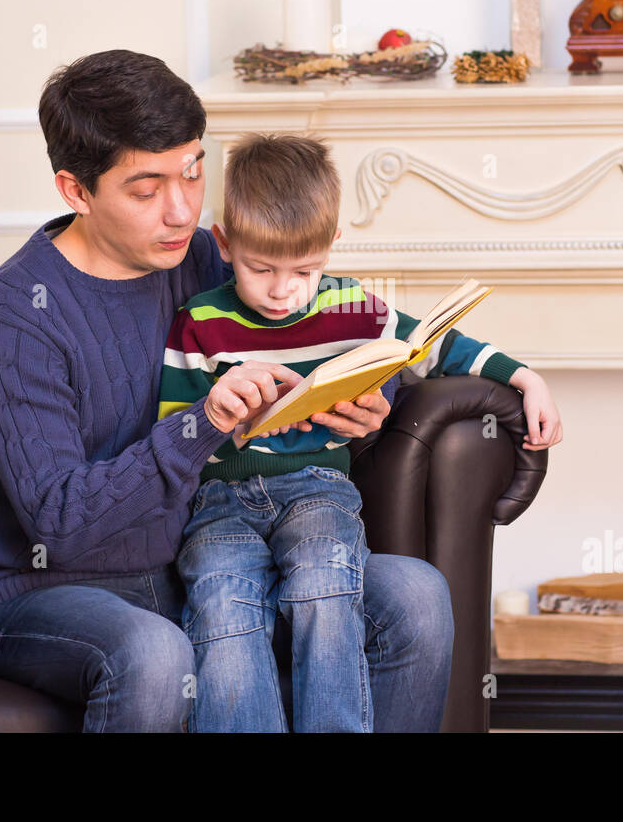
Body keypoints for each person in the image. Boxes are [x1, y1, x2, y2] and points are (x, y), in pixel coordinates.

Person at [0, 49, 460, 731]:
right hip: (44, 590)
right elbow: (61, 526)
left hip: (197, 557)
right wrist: (202, 422)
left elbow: (313, 320)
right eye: (146, 188)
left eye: (193, 171)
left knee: (416, 597)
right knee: (156, 655)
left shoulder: (197, 259)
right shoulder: (18, 319)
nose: (182, 208)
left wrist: (370, 398)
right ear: (76, 192)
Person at [159, 133, 562, 732]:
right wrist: (222, 417)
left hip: (317, 487)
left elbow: (437, 348)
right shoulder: (199, 322)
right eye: (260, 267)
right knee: (222, 607)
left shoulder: (350, 306)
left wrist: (525, 378)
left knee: (327, 583)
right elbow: (174, 431)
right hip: (220, 503)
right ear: (224, 244)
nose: (282, 290)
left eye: (305, 269)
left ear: (331, 248)